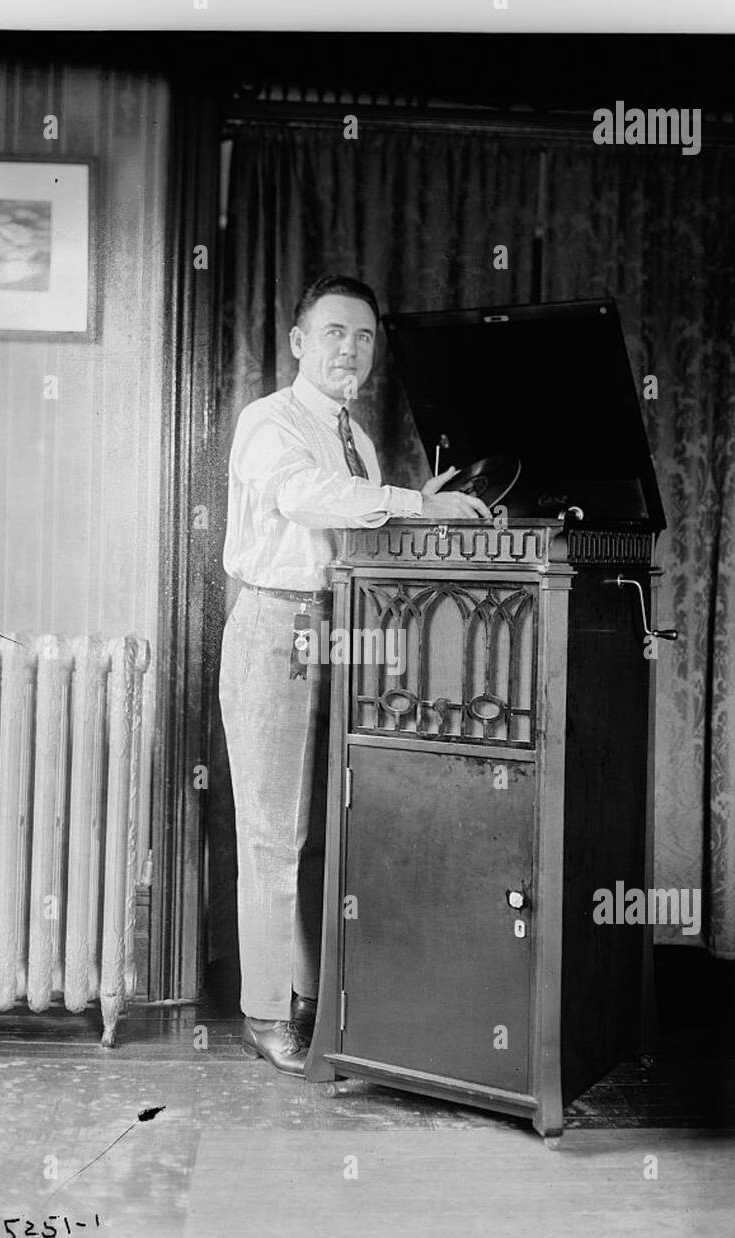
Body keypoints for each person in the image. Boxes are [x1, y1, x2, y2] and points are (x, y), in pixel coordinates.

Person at [219, 273, 491, 1075]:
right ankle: (265, 1011)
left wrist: (419, 507)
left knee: (320, 835)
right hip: (275, 625)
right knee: (272, 834)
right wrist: (410, 503)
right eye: (335, 331)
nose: (351, 347)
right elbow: (306, 498)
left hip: (342, 635)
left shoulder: (360, 443)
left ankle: (310, 993)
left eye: (365, 336)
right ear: (300, 342)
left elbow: (361, 521)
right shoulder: (268, 422)